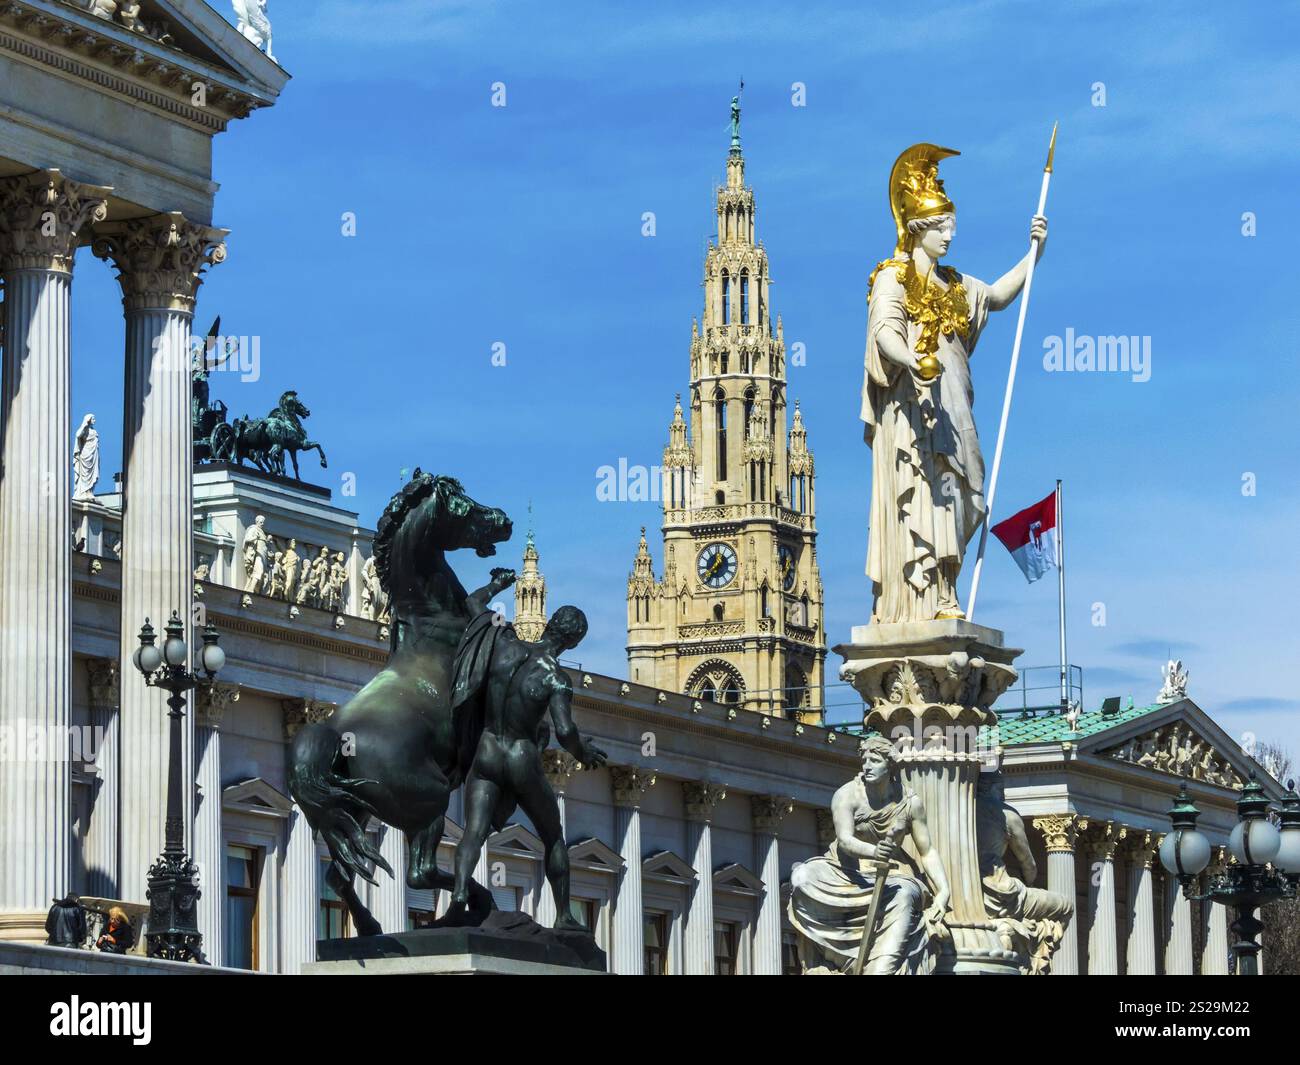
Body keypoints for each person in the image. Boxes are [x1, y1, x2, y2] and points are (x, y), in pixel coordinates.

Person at [862, 144, 1047, 622]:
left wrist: (1034, 254)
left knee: (969, 494)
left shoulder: (957, 284)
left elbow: (1000, 296)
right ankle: (931, 595)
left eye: (951, 227)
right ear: (919, 229)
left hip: (955, 404)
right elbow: (884, 332)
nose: (950, 236)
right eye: (942, 228)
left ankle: (946, 584)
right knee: (925, 492)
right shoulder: (893, 279)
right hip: (914, 411)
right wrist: (913, 360)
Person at [445, 604, 607, 928]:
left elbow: (476, 618)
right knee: (553, 835)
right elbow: (564, 731)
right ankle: (563, 916)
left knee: (473, 833)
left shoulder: (505, 647)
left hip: (487, 750)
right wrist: (582, 752)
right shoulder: (556, 678)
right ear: (573, 643)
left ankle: (459, 896)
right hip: (521, 758)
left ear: (549, 624)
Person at [787, 736, 950, 974]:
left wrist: (943, 891)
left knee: (904, 895)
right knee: (802, 876)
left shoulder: (910, 803)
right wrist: (875, 851)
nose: (867, 766)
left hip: (893, 874)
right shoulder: (847, 795)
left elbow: (927, 851)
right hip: (845, 870)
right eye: (865, 760)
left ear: (890, 765)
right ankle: (842, 959)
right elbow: (845, 841)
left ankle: (881, 967)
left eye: (875, 760)